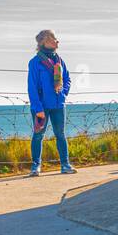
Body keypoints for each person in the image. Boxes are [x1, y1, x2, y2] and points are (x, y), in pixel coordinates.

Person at [28, 29, 76, 175]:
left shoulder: (59, 61)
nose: (57, 41)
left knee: (60, 134)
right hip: (41, 106)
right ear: (44, 42)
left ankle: (65, 164)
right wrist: (38, 108)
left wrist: (63, 94)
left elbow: (67, 79)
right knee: (38, 135)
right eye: (54, 39)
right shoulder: (35, 62)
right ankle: (36, 166)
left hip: (58, 105)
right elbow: (32, 86)